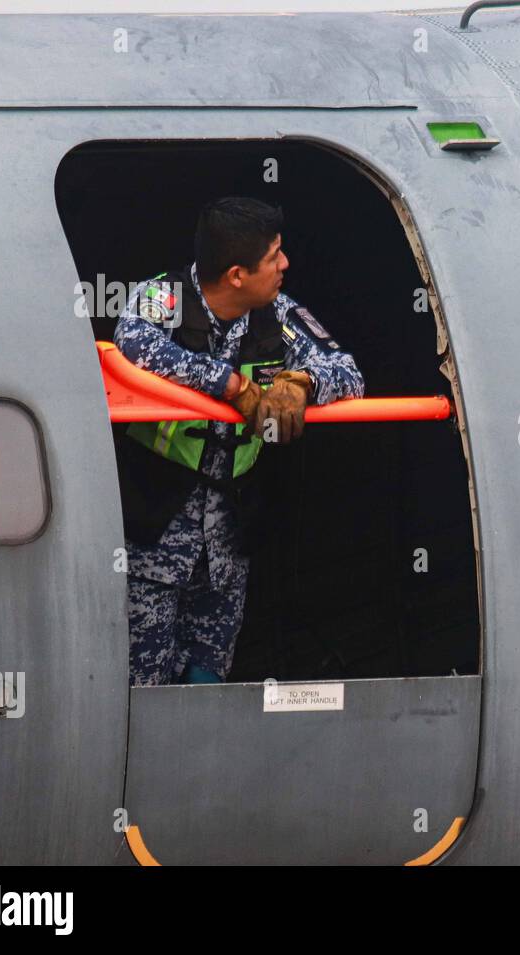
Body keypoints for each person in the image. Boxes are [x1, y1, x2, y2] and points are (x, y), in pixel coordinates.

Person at [114, 197, 364, 686]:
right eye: (274, 256)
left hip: (229, 545)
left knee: (209, 688)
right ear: (235, 275)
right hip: (152, 542)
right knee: (139, 689)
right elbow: (133, 344)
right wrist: (233, 387)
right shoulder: (161, 300)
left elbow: (349, 372)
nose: (285, 265)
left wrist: (300, 384)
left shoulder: (278, 314)